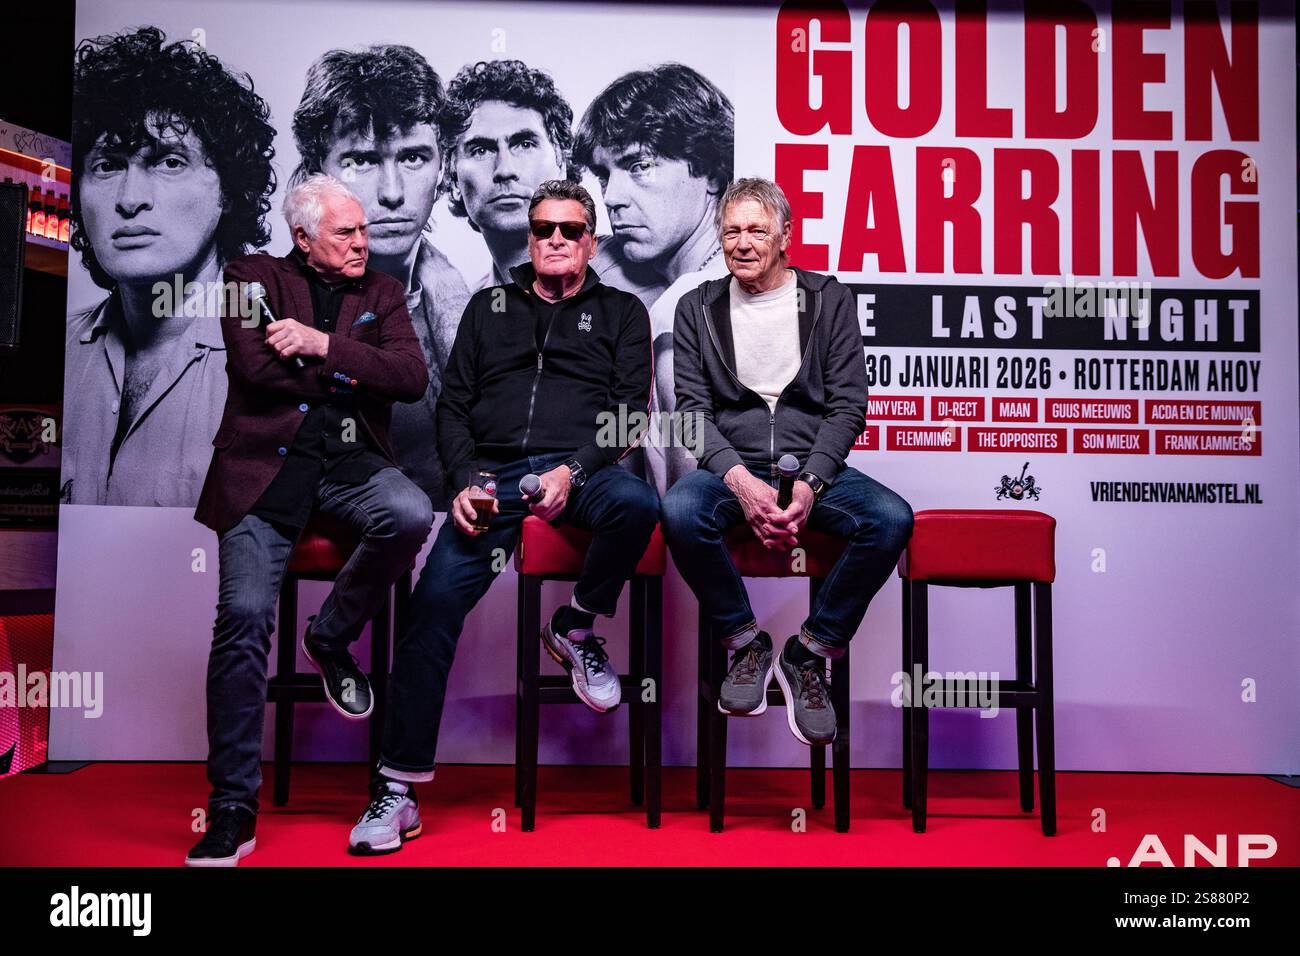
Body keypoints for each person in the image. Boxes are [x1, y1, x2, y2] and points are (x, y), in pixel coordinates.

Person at [347, 180, 657, 856]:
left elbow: (632, 413)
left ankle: (574, 627)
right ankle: (396, 790)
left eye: (569, 230)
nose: (553, 239)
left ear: (590, 243)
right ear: (529, 238)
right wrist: (463, 482)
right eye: (543, 228)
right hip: (491, 477)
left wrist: (569, 470)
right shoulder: (490, 308)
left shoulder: (623, 312)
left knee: (638, 505)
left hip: (579, 474)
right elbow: (452, 404)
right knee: (431, 609)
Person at [184, 175, 434, 866]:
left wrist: (322, 346)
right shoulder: (247, 274)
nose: (363, 242)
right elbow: (255, 367)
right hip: (262, 477)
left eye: (363, 231)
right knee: (241, 620)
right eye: (345, 233)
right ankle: (233, 806)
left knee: (411, 513)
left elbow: (411, 378)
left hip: (353, 467)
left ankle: (328, 638)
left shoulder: (381, 290)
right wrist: (360, 367)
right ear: (302, 237)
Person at [661, 178, 914, 746]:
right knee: (679, 509)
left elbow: (849, 406)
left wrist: (811, 483)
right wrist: (741, 483)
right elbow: (693, 415)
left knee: (891, 518)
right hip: (733, 470)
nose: (743, 242)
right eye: (731, 231)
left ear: (784, 239)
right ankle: (745, 641)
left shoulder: (828, 300)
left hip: (812, 469)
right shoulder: (695, 307)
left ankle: (810, 651)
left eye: (757, 230)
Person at [62, 26, 275, 507]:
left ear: (227, 190)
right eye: (108, 165)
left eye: (169, 162)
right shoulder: (54, 357)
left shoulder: (278, 363)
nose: (130, 200)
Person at [291, 44, 470, 507]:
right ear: (317, 174)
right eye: (362, 161)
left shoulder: (464, 301)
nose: (392, 194)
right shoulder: (281, 301)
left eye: (412, 158)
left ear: (443, 166)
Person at [574, 63, 734, 491]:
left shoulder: (684, 302)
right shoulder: (739, 279)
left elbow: (690, 499)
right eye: (605, 174)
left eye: (639, 166)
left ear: (712, 174)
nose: (610, 197)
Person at [439, 59, 577, 292]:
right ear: (453, 179)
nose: (505, 170)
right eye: (481, 150)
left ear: (561, 162)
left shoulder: (627, 280)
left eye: (524, 144)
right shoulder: (467, 309)